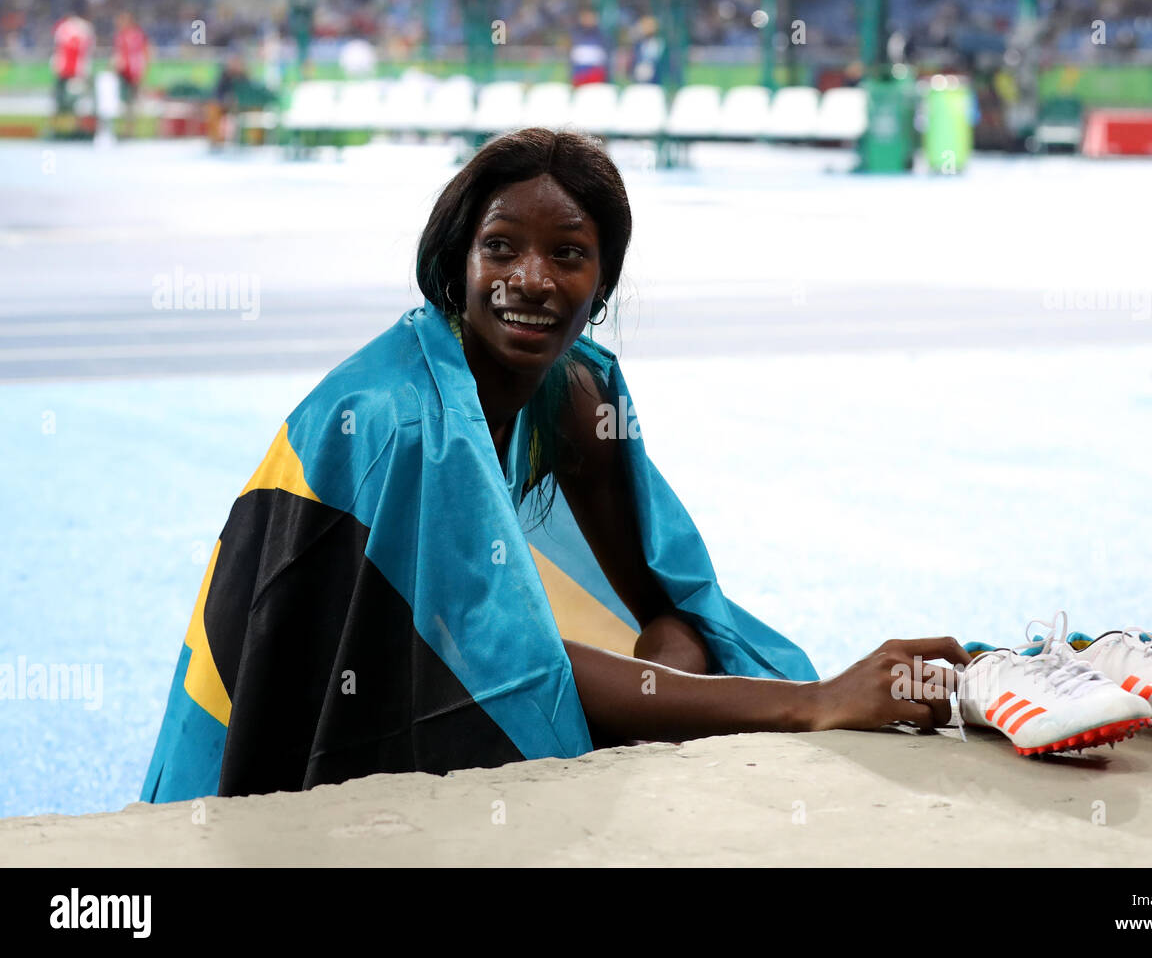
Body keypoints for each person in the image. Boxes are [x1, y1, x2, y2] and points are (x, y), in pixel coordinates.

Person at [141, 128, 968, 803]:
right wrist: (814, 703)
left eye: (568, 253)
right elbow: (508, 663)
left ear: (601, 284)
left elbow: (663, 602)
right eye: (500, 247)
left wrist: (656, 686)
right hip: (266, 738)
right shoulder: (405, 422)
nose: (530, 279)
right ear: (455, 266)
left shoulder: (577, 393)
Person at [51, 4, 94, 137]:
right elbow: (88, 52)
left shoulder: (62, 27)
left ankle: (58, 129)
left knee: (62, 102)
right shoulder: (86, 28)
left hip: (63, 71)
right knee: (77, 102)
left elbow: (57, 48)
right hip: (77, 72)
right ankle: (75, 129)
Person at [112, 11, 149, 138]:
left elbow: (144, 52)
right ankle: (125, 128)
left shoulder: (136, 35)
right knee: (124, 102)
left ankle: (130, 129)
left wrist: (141, 71)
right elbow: (119, 53)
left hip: (133, 73)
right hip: (122, 72)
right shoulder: (120, 36)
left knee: (131, 102)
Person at [568, 7, 609, 86]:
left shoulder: (602, 37)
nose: (588, 20)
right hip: (579, 76)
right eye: (585, 17)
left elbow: (606, 60)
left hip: (597, 76)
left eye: (590, 17)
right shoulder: (575, 36)